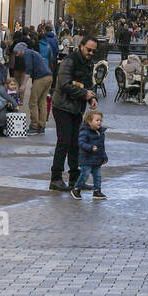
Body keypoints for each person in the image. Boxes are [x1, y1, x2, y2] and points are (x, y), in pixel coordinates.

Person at [49, 36, 98, 192]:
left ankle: (75, 179)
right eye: (88, 49)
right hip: (62, 106)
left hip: (76, 108)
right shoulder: (69, 61)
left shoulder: (88, 63)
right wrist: (85, 94)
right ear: (81, 46)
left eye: (93, 51)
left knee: (75, 143)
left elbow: (89, 83)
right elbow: (64, 84)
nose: (91, 53)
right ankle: (55, 179)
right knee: (64, 142)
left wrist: (91, 98)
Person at [13, 42, 53, 134]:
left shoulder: (27, 54)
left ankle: (34, 126)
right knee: (42, 102)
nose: (17, 54)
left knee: (33, 102)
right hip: (48, 77)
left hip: (41, 78)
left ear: (21, 50)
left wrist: (23, 85)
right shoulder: (33, 53)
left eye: (17, 52)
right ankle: (41, 126)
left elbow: (28, 70)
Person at [71, 109, 109, 200]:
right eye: (97, 120)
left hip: (97, 159)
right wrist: (90, 147)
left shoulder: (100, 133)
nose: (99, 122)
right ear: (89, 122)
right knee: (85, 175)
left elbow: (101, 147)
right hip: (86, 159)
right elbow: (81, 143)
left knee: (98, 176)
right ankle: (76, 189)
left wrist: (104, 156)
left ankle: (97, 191)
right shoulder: (84, 132)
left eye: (100, 120)